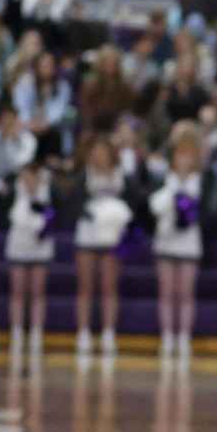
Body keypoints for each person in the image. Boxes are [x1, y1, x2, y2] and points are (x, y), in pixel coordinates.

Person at [72, 136, 133, 359]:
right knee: (85, 285)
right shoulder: (84, 176)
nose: (98, 156)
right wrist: (91, 213)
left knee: (109, 285)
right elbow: (73, 203)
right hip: (88, 234)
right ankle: (83, 333)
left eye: (102, 151)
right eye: (95, 152)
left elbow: (132, 202)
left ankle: (109, 333)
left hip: (112, 236)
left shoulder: (121, 177)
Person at [149, 124, 206, 362]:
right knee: (167, 291)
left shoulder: (202, 181)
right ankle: (167, 336)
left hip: (189, 241)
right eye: (180, 154)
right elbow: (151, 204)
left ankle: (184, 337)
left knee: (185, 292)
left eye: (188, 154)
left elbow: (208, 210)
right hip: (166, 240)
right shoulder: (163, 178)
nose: (184, 159)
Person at [4, 158, 56, 359]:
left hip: (40, 247)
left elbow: (56, 212)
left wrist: (45, 215)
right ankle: (16, 333)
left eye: (31, 175)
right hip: (18, 245)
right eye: (23, 175)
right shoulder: (14, 192)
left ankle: (36, 334)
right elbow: (3, 212)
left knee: (37, 291)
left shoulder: (48, 191)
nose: (27, 179)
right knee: (17, 290)